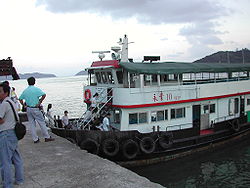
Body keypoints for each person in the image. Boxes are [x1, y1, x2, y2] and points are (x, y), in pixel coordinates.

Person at [0, 82, 24, 187]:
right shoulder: (12, 102)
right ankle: (19, 179)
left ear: (5, 92)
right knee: (16, 159)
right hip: (13, 133)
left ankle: (7, 184)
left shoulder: (4, 104)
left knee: (5, 161)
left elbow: (0, 120)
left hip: (6, 134)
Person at [19, 77, 54, 143]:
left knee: (32, 124)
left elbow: (20, 99)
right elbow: (44, 95)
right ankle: (47, 137)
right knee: (41, 122)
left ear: (28, 82)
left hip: (28, 109)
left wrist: (24, 105)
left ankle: (35, 139)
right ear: (34, 82)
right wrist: (39, 102)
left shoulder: (25, 90)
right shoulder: (36, 89)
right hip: (35, 108)